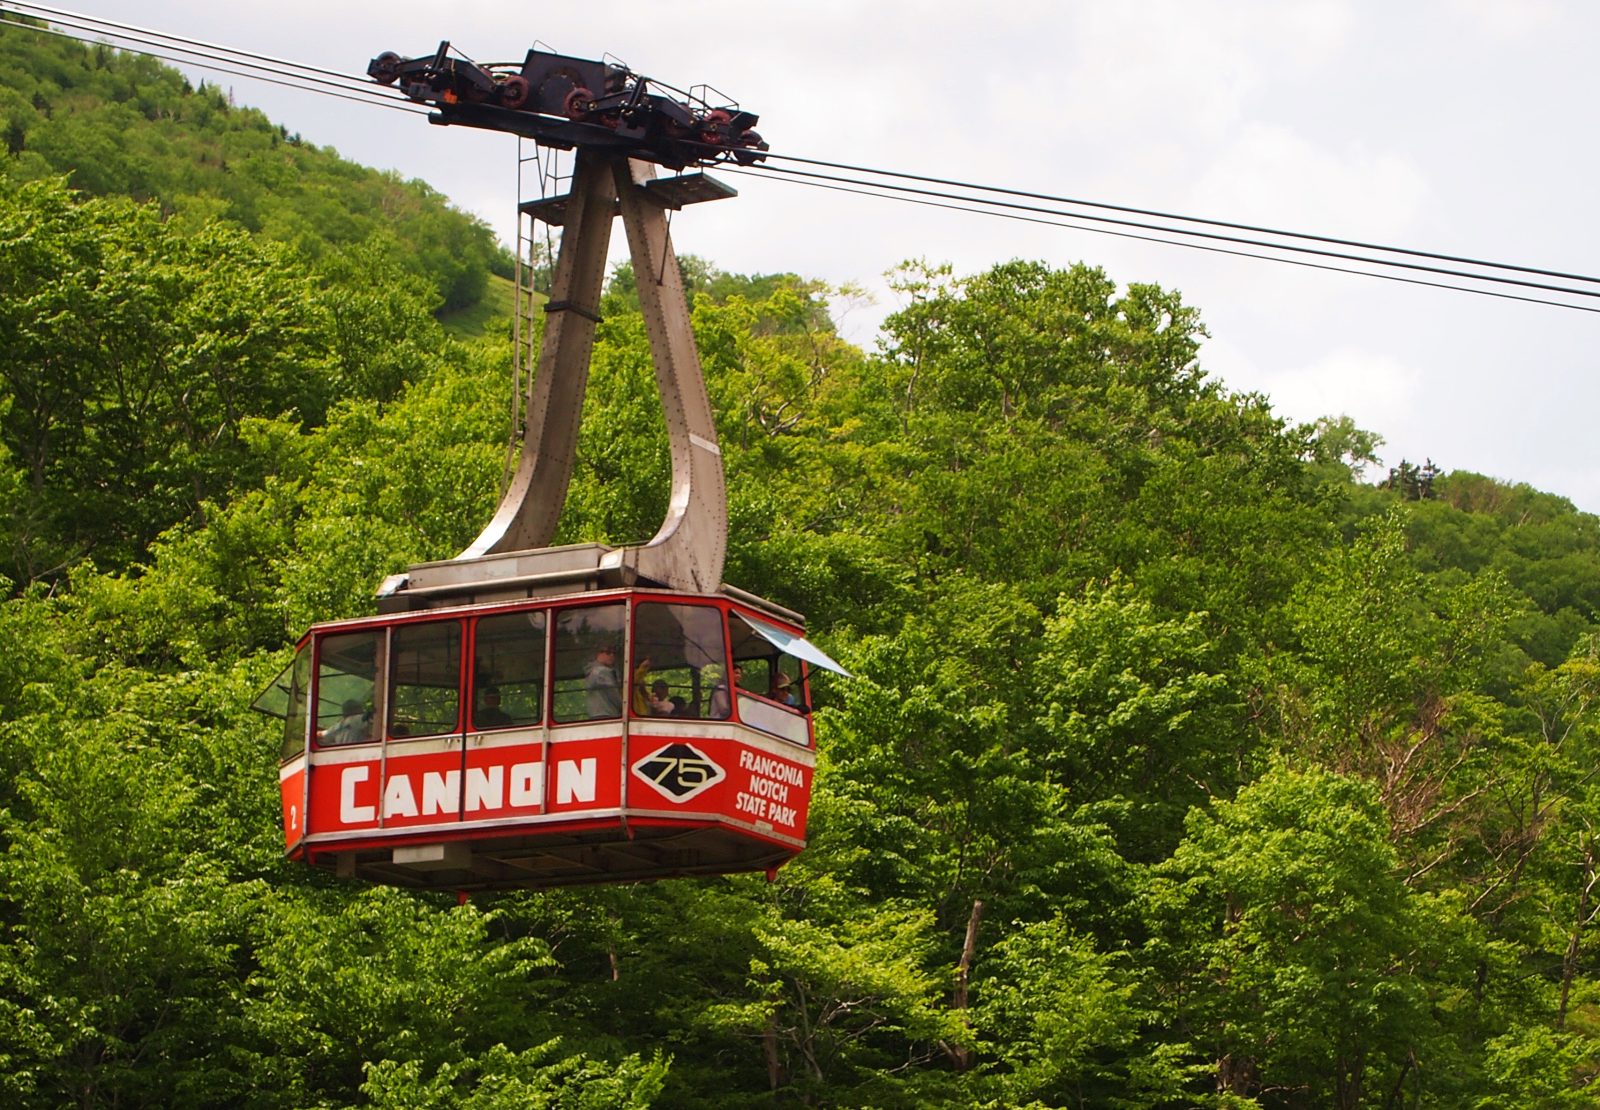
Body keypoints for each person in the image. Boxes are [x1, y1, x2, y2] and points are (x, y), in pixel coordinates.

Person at [584, 644, 622, 718]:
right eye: (608, 652)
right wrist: (623, 706)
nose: (612, 655)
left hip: (595, 714)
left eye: (614, 653)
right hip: (607, 714)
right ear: (598, 654)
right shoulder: (602, 671)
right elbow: (612, 693)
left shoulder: (591, 671)